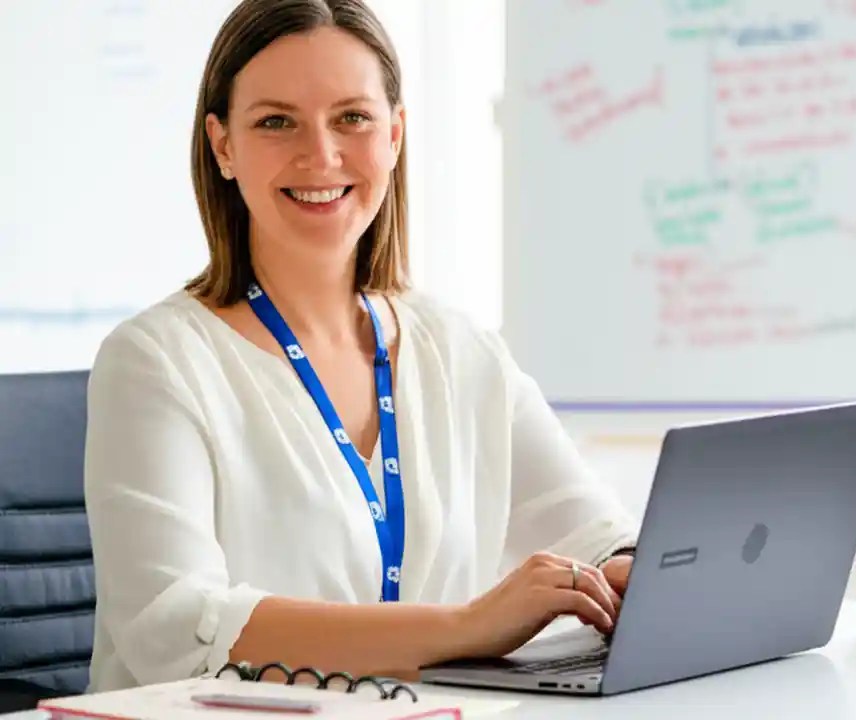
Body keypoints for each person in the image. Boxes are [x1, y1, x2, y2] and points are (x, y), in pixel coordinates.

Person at [84, 0, 637, 692]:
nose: (321, 155)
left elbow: (596, 536)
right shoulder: (154, 361)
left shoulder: (461, 351)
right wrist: (470, 625)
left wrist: (632, 572)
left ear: (395, 134)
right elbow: (176, 629)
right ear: (223, 146)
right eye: (276, 121)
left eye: (352, 118)